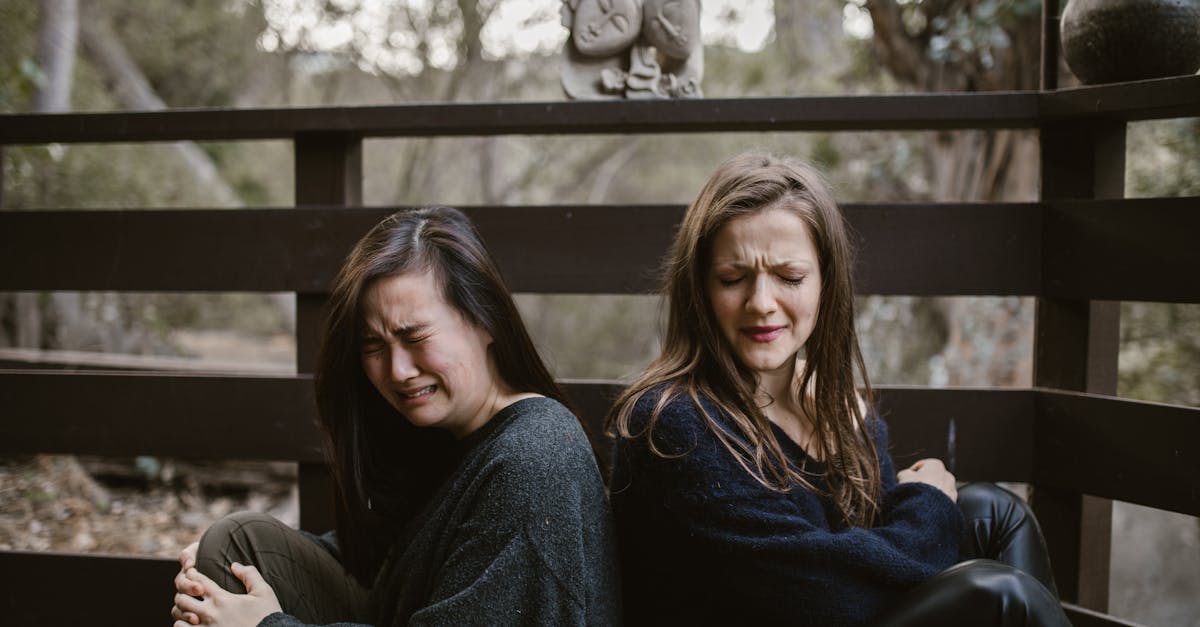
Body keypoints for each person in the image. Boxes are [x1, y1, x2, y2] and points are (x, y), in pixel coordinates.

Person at [607, 152, 1070, 626]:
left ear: (826, 284)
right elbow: (829, 599)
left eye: (790, 278)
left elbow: (886, 552)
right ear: (700, 288)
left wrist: (854, 434)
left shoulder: (823, 400)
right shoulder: (673, 421)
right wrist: (929, 499)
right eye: (733, 279)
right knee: (1001, 595)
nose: (761, 303)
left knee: (994, 511)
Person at [171, 206, 621, 626]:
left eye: (415, 336)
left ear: (485, 320)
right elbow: (393, 564)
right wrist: (226, 572)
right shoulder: (449, 436)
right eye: (373, 347)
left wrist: (268, 625)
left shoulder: (533, 460)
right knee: (235, 544)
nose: (398, 371)